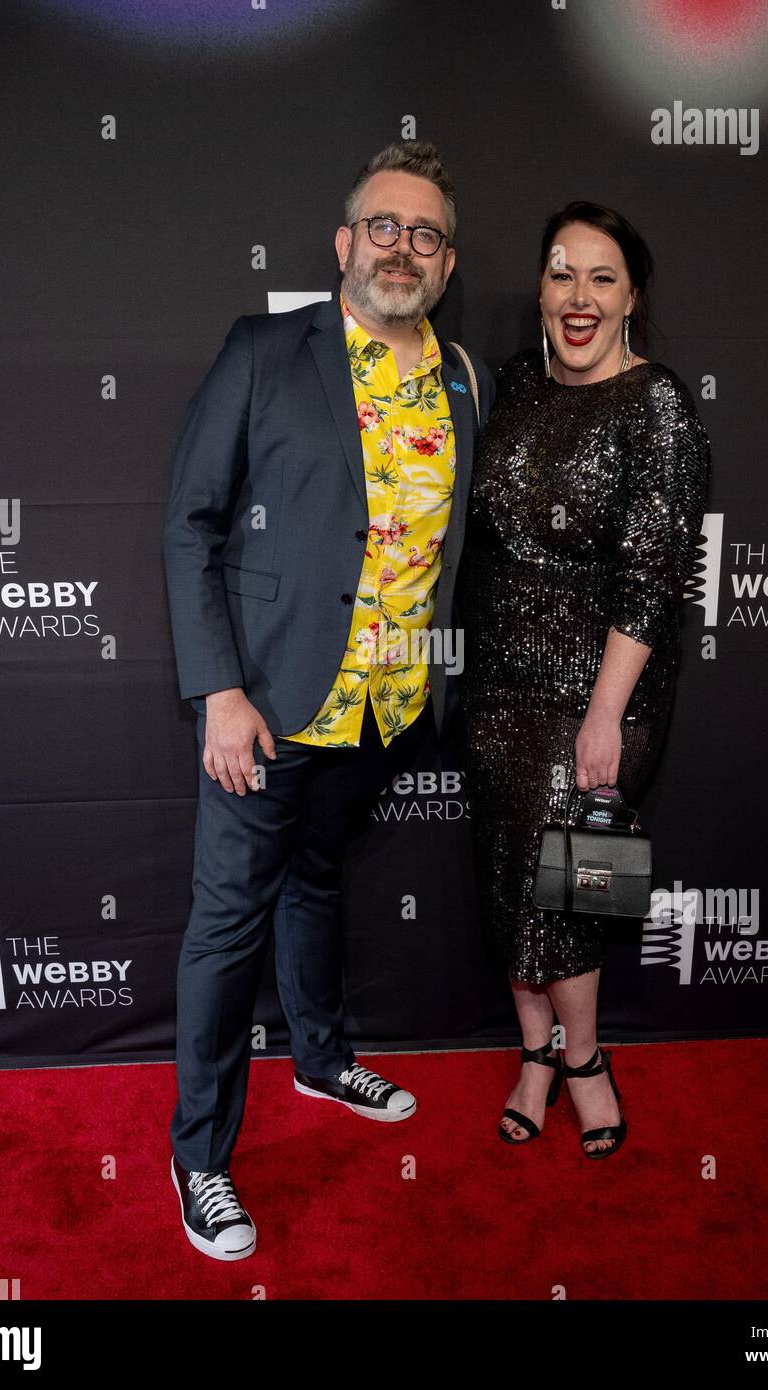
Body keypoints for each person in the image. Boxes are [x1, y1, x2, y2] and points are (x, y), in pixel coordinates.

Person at [162, 140, 495, 1259]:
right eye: (386, 227)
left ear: (445, 265)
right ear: (345, 243)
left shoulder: (460, 378)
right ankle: (199, 1157)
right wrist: (216, 690)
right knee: (225, 926)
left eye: (429, 235)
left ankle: (317, 1059)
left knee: (316, 881)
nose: (405, 248)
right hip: (263, 706)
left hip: (383, 710)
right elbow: (191, 523)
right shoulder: (265, 351)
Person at [455, 202, 710, 1157]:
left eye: (602, 278)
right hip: (499, 689)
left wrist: (603, 713)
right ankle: (534, 1054)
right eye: (562, 274)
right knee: (508, 880)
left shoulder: (658, 405)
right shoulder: (517, 385)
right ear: (542, 289)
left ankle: (587, 1060)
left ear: (631, 296)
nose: (579, 295)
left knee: (574, 883)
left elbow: (653, 575)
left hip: (605, 692)